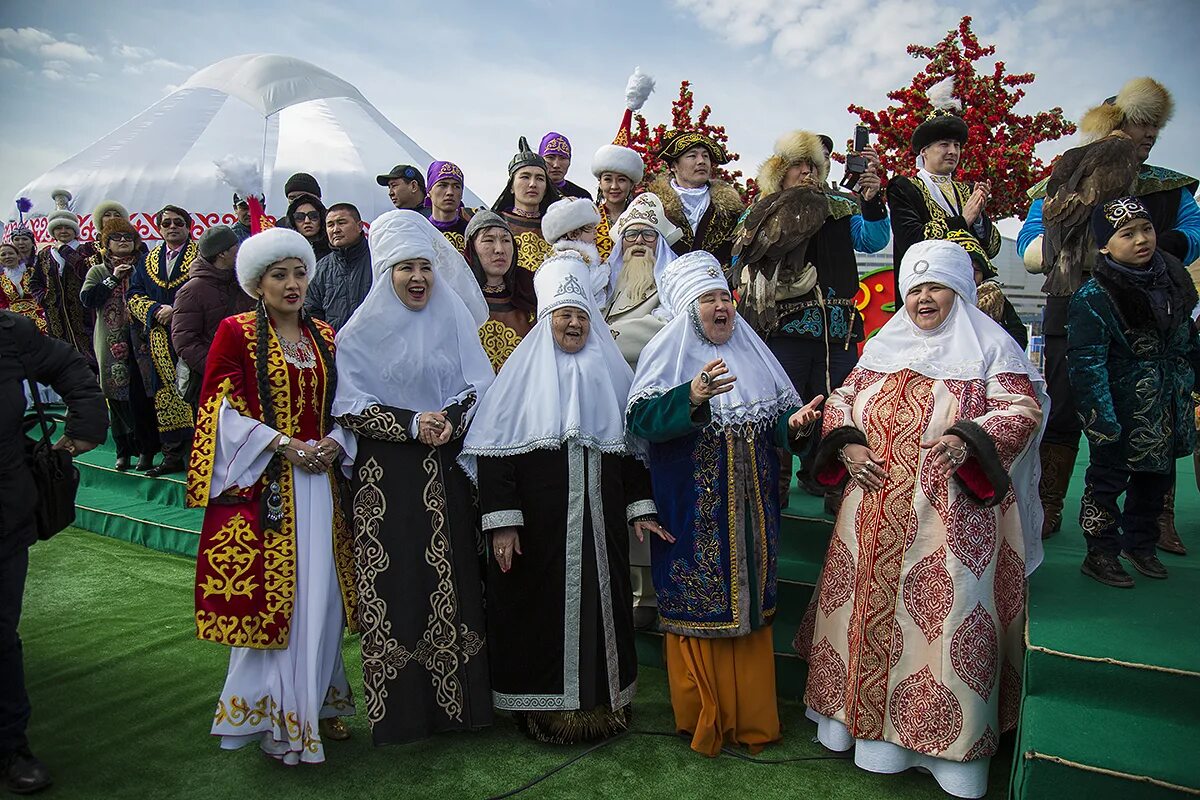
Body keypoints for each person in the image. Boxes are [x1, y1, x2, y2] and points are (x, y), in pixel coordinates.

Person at [799, 240, 1046, 799]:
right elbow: (842, 400)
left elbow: (1022, 409)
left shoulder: (990, 349)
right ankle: (856, 734)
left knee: (939, 634)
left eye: (935, 287)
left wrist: (966, 439)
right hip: (871, 516)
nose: (923, 298)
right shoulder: (884, 346)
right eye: (914, 289)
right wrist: (848, 443)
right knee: (860, 620)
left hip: (950, 524)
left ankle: (945, 757)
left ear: (958, 292)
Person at [627, 251, 821, 757]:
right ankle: (703, 718)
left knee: (750, 609)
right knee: (698, 610)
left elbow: (776, 419)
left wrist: (793, 428)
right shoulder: (665, 354)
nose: (721, 307)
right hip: (691, 514)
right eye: (708, 299)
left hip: (753, 519)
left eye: (724, 298)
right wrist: (691, 396)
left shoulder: (754, 355)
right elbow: (642, 423)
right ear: (688, 308)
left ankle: (752, 719)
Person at [462, 253, 657, 745]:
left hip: (601, 526)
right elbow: (494, 451)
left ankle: (601, 705)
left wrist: (639, 506)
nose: (574, 323)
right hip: (538, 529)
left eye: (581, 315)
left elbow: (630, 450)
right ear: (547, 319)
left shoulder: (612, 378)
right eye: (564, 315)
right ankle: (544, 711)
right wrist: (502, 523)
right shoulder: (518, 381)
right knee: (537, 610)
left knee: (602, 605)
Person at [187, 227, 358, 765]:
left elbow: (347, 404)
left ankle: (319, 702)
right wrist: (283, 445)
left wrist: (336, 441)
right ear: (257, 284)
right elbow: (219, 411)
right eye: (279, 275)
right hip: (268, 489)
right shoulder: (234, 333)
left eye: (299, 273)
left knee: (323, 597)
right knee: (276, 603)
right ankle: (277, 715)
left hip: (322, 485)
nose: (292, 284)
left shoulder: (327, 336)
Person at [334, 210, 495, 745]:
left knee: (455, 581)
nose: (418, 278)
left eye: (425, 266)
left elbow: (479, 385)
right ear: (387, 274)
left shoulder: (452, 319)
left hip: (448, 467)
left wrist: (450, 417)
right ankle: (404, 716)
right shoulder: (360, 332)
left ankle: (464, 710)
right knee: (398, 584)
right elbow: (350, 406)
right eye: (405, 268)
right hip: (387, 478)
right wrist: (408, 422)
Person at [1018, 77, 1198, 553]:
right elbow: (1030, 234)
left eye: (1155, 126)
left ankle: (1156, 518)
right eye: (1140, 123)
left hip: (1149, 308)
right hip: (1074, 302)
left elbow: (1193, 231)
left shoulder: (1172, 185)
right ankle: (1050, 502)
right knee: (1063, 404)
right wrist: (1057, 254)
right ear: (1114, 126)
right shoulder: (1064, 174)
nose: (1149, 134)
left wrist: (1157, 253)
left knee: (1154, 412)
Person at [737, 129, 890, 503]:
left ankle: (827, 477)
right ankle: (773, 483)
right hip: (782, 327)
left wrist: (871, 203)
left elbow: (872, 240)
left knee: (837, 404)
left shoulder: (841, 204)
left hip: (836, 330)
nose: (807, 172)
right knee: (778, 403)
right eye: (798, 165)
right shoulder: (762, 207)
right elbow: (740, 260)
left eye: (813, 165)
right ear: (780, 170)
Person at [0, 310, 107, 795]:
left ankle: (9, 746)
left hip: (4, 509)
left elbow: (69, 367)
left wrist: (84, 427)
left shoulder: (8, 332)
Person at [1068, 198, 1200, 587]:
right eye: (1127, 234)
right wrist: (1101, 421)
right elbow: (1086, 364)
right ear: (1106, 245)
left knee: (1156, 481)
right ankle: (1101, 553)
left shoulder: (1174, 279)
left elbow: (1188, 340)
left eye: (1146, 229)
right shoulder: (1094, 296)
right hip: (1122, 406)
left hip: (1169, 403)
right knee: (1107, 485)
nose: (1142, 239)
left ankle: (1140, 545)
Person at [887, 78, 1000, 299]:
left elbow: (993, 248)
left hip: (970, 290)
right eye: (944, 145)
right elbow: (911, 239)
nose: (952, 151)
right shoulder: (905, 188)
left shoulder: (967, 191)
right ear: (924, 152)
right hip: (925, 292)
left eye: (956, 145)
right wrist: (963, 220)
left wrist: (978, 219)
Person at [80, 218, 157, 472]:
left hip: (141, 338)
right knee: (114, 394)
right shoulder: (98, 270)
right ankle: (123, 450)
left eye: (128, 237)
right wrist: (113, 279)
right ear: (106, 243)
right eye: (117, 238)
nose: (123, 242)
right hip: (110, 338)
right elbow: (88, 299)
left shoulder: (145, 266)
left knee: (142, 392)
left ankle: (146, 449)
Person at [127, 204, 197, 477]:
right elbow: (133, 294)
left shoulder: (201, 255)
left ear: (188, 226)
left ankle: (198, 456)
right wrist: (156, 311)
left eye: (178, 222)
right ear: (159, 228)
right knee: (165, 393)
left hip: (193, 333)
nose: (172, 227)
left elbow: (210, 291)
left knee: (194, 390)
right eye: (166, 223)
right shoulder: (147, 261)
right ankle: (172, 456)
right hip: (158, 337)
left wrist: (176, 310)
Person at [171, 225, 254, 390]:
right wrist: (218, 368)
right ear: (222, 253)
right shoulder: (192, 291)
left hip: (247, 375)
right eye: (235, 246)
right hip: (212, 382)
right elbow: (184, 341)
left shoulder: (244, 282)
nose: (240, 250)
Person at [605, 192, 681, 370]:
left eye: (648, 234)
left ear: (659, 242)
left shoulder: (672, 283)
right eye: (631, 234)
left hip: (645, 373)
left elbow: (668, 328)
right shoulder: (605, 281)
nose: (639, 240)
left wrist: (601, 338)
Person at [647, 131, 744, 267]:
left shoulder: (731, 211)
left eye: (705, 156)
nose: (701, 161)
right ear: (674, 166)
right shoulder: (652, 206)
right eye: (692, 156)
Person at [590, 68, 655, 262]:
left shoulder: (644, 218)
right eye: (608, 179)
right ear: (599, 182)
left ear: (632, 184)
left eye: (621, 180)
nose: (614, 187)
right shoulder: (588, 218)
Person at [465, 211, 536, 372]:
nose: (499, 249)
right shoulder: (459, 299)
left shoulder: (530, 293)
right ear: (471, 249)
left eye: (505, 240)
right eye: (488, 240)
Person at [33, 210, 96, 370]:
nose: (63, 231)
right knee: (62, 355)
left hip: (83, 311)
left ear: (74, 230)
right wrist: (45, 299)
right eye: (58, 228)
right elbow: (35, 281)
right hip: (55, 314)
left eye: (67, 228)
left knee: (90, 353)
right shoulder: (45, 254)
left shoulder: (85, 250)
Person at [946, 230, 1027, 349]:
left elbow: (1018, 334)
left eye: (976, 270)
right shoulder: (935, 295)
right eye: (965, 268)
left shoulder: (993, 297)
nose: (971, 274)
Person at [492, 137, 561, 274]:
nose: (532, 184)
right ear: (511, 186)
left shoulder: (557, 229)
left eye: (540, 178)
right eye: (525, 177)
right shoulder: (496, 224)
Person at [304, 203, 371, 330]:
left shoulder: (377, 260)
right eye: (330, 225)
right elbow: (312, 312)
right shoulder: (320, 268)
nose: (335, 229)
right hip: (333, 346)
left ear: (360, 226)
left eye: (342, 222)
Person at [540, 197, 609, 305]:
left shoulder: (577, 256)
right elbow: (585, 288)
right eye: (590, 228)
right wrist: (604, 271)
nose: (596, 233)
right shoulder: (567, 259)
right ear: (573, 234)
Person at [426, 160, 472, 255]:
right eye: (443, 185)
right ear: (429, 191)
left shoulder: (472, 232)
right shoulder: (421, 230)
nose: (450, 192)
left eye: (456, 186)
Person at [0, 242, 46, 333]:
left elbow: (44, 290)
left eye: (11, 253)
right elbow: (2, 302)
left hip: (39, 313)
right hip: (14, 318)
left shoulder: (32, 272)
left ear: (18, 256)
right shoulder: (0, 280)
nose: (7, 256)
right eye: (3, 255)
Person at [539, 132, 593, 201]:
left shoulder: (582, 196)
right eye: (550, 157)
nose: (556, 165)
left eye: (563, 158)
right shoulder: (532, 192)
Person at [285, 193, 330, 260]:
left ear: (322, 218)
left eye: (313, 216)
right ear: (293, 222)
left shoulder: (335, 249)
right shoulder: (286, 252)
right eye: (299, 217)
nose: (307, 221)